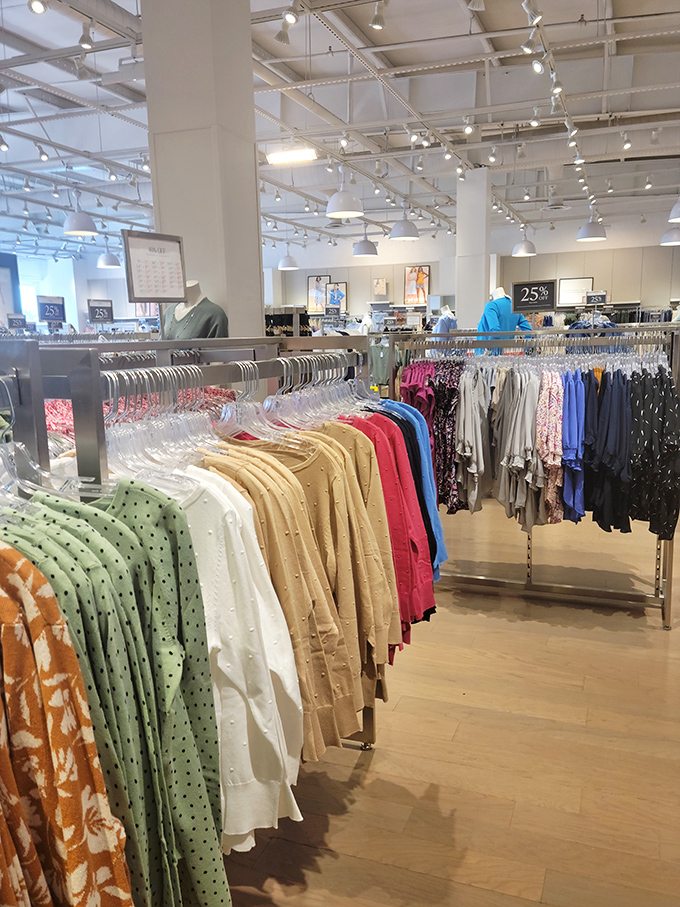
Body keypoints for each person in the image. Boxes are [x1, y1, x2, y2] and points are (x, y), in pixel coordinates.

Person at [476, 287, 532, 354]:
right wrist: (525, 350)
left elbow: (496, 333)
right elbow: (530, 332)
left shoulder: (492, 306)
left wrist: (487, 350)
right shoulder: (513, 306)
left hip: (488, 356)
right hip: (507, 355)